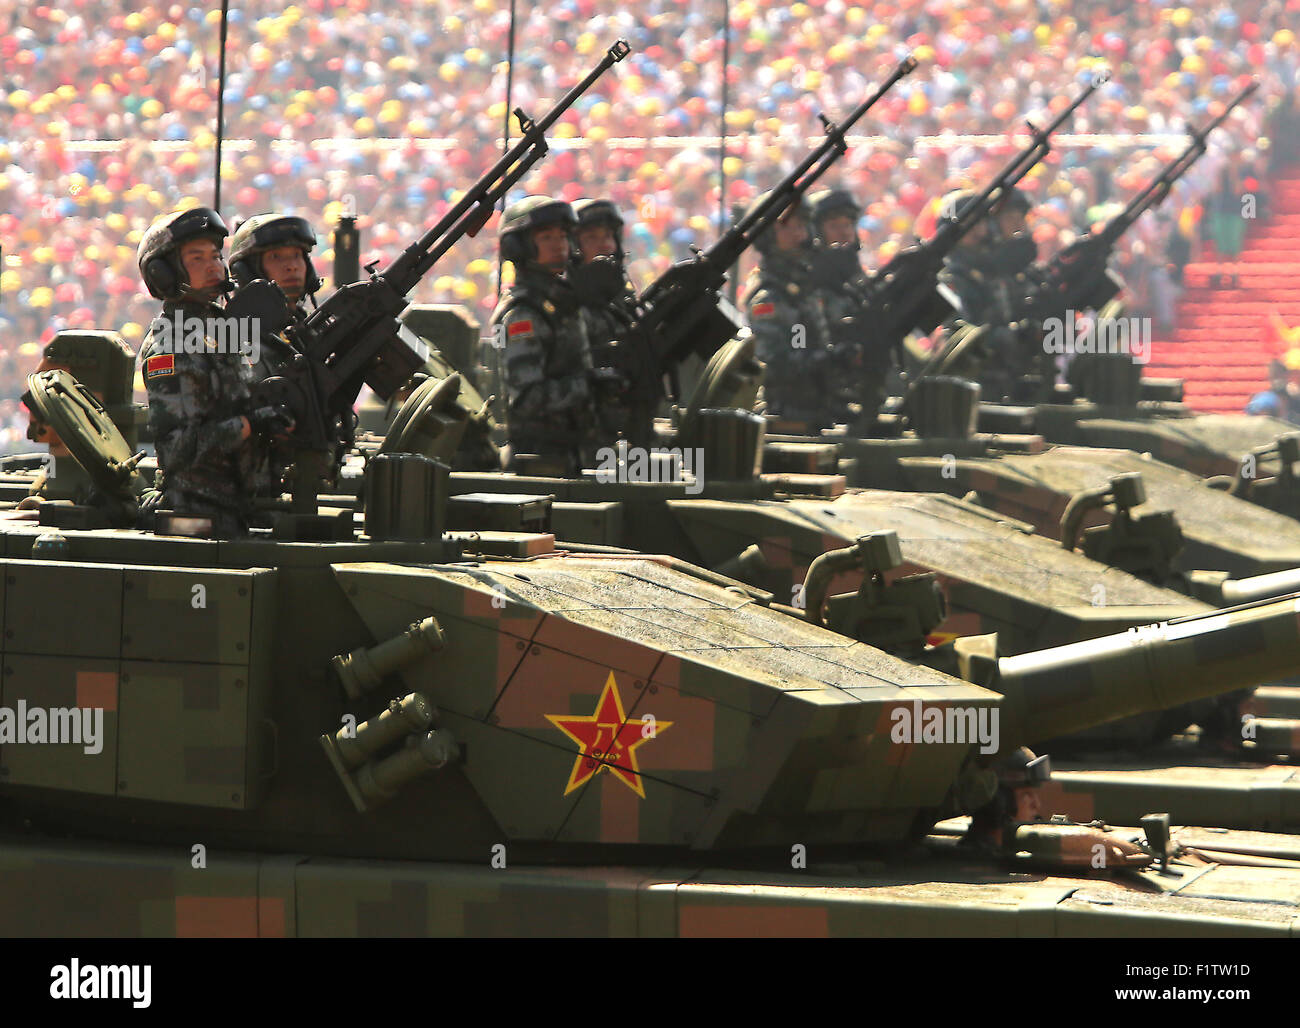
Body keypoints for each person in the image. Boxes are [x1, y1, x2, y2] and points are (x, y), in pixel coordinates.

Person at [137, 207, 290, 536]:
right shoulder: (171, 345)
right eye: (196, 259)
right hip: (200, 519)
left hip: (241, 508)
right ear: (164, 273)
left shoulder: (221, 330)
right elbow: (178, 451)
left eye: (216, 256)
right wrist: (251, 424)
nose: (213, 266)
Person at [490, 195, 598, 475]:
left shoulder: (559, 303)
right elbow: (527, 399)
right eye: (546, 237)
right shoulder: (522, 314)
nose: (559, 245)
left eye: (563, 236)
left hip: (570, 453)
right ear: (518, 247)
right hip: (539, 463)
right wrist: (588, 386)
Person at [742, 194, 840, 429]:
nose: (799, 234)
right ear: (767, 236)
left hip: (815, 411)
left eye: (802, 226)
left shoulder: (802, 288)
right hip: (786, 416)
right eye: (787, 227)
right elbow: (775, 364)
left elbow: (802, 340)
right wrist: (827, 359)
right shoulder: (769, 296)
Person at [569, 197, 654, 448]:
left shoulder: (623, 301)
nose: (604, 245)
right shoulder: (566, 306)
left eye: (608, 236)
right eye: (591, 238)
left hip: (629, 432)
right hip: (586, 436)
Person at [807, 188, 893, 427]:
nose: (844, 233)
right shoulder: (807, 281)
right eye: (834, 226)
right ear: (817, 233)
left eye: (848, 225)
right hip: (819, 402)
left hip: (860, 397)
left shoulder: (857, 279)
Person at [228, 213, 322, 381]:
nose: (292, 266)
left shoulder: (309, 328)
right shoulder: (232, 341)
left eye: (296, 255)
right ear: (247, 272)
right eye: (275, 257)